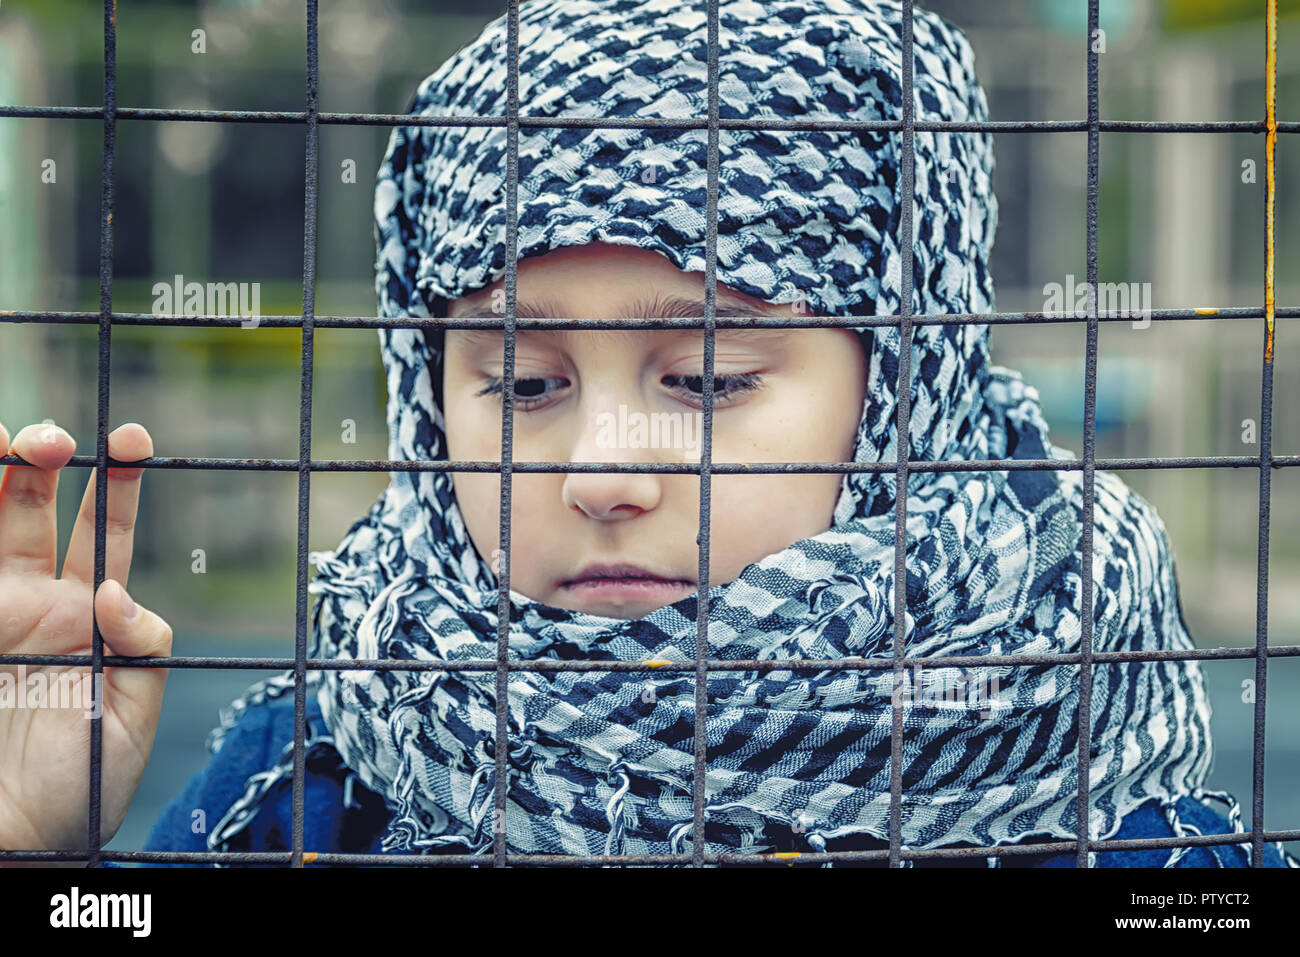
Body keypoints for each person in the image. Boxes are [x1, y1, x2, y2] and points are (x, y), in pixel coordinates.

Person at [0, 0, 1293, 868]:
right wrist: (45, 856)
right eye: (523, 383)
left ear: (908, 384)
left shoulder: (1090, 777)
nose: (601, 471)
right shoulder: (328, 760)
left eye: (709, 378)